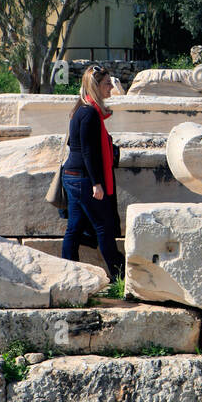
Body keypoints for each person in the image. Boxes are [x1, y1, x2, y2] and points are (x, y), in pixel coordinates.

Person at [61, 65, 124, 279]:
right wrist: (97, 183)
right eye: (107, 84)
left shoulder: (82, 109)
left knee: (75, 228)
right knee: (103, 227)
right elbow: (88, 152)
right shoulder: (89, 113)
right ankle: (119, 276)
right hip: (84, 179)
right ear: (96, 86)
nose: (110, 88)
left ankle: (70, 275)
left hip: (73, 176)